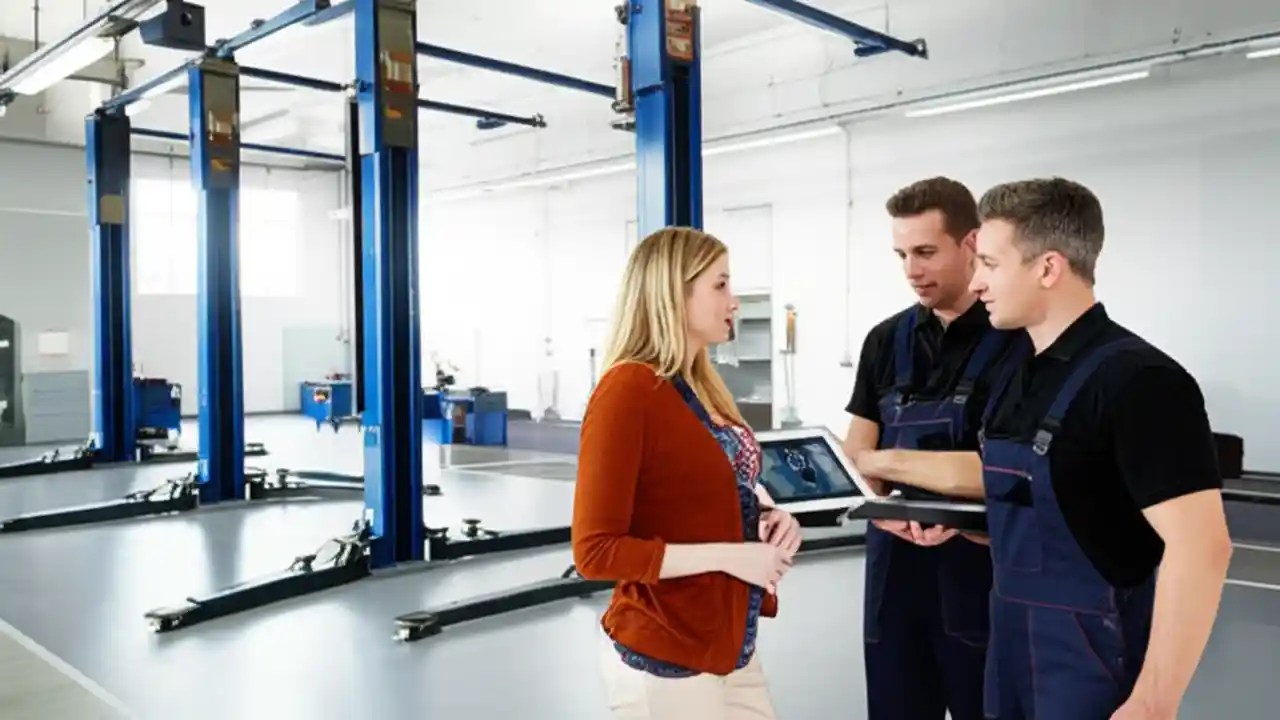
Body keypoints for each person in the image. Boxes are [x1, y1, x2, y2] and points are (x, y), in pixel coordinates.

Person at [856, 177, 1233, 719]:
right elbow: (1060, 513)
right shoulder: (1019, 379)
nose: (977, 280)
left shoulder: (1141, 381)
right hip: (1006, 652)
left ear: (1048, 268)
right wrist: (964, 526)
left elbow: (1202, 548)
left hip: (1092, 664)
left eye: (989, 263)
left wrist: (1154, 700)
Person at [572, 226, 804, 720]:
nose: (734, 301)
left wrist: (766, 515)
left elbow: (703, 490)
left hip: (728, 642)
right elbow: (595, 552)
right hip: (664, 653)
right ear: (672, 293)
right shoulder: (627, 391)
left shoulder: (699, 385)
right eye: (720, 285)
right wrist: (735, 557)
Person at [842, 177, 1015, 720]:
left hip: (979, 568)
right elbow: (855, 452)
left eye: (925, 252)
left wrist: (884, 462)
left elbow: (996, 471)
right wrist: (880, 495)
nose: (912, 271)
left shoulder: (1014, 338)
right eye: (901, 255)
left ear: (970, 245)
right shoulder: (884, 341)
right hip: (894, 570)